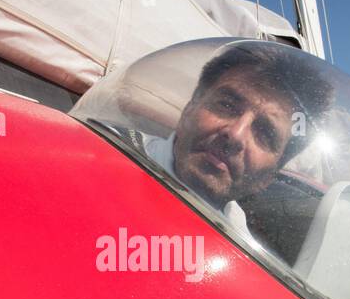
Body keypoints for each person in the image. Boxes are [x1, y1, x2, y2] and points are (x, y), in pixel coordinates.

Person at [137, 43, 334, 241]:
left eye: (265, 133)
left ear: (269, 177)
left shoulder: (243, 251)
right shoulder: (111, 154)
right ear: (190, 108)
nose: (236, 134)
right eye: (227, 105)